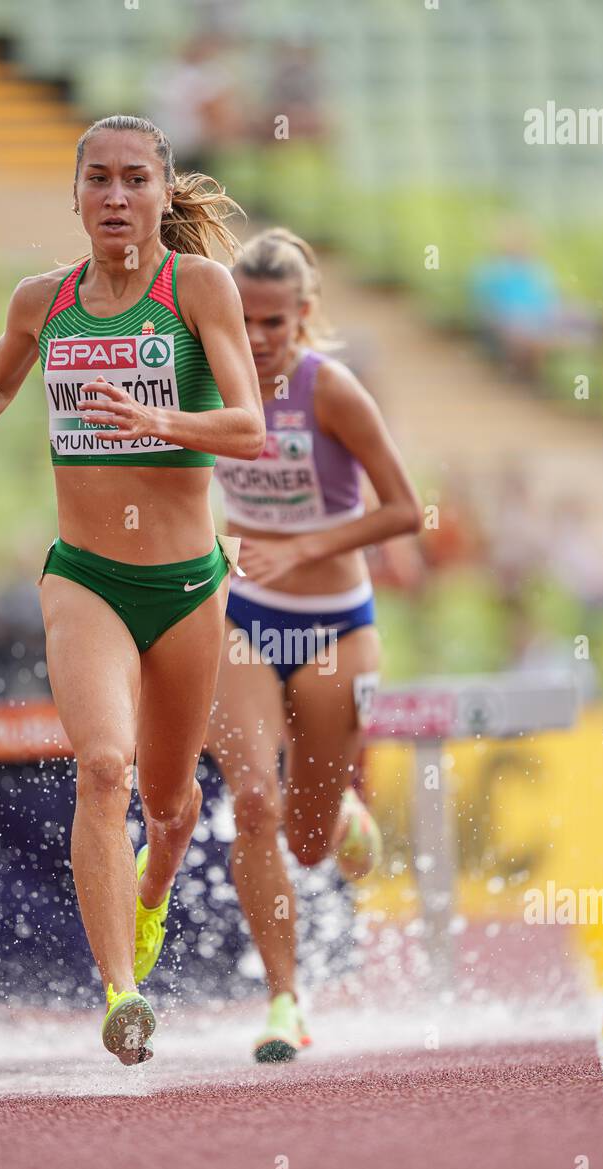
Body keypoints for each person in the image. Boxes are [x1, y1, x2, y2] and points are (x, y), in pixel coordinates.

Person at [0, 114, 265, 1064]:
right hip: (85, 577)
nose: (116, 197)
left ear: (161, 193)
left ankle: (154, 893)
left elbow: (252, 426)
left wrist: (156, 415)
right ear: (78, 194)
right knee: (104, 767)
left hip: (185, 586)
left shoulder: (199, 289)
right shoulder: (42, 300)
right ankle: (121, 993)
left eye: (136, 179)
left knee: (173, 807)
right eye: (99, 180)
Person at [204, 228, 421, 1062]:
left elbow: (404, 510)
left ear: (304, 316)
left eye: (275, 324)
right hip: (247, 618)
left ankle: (341, 813)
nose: (257, 342)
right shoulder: (211, 384)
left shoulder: (331, 390)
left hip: (338, 625)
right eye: (244, 322)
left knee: (305, 837)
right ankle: (283, 1001)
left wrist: (304, 547)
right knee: (254, 803)